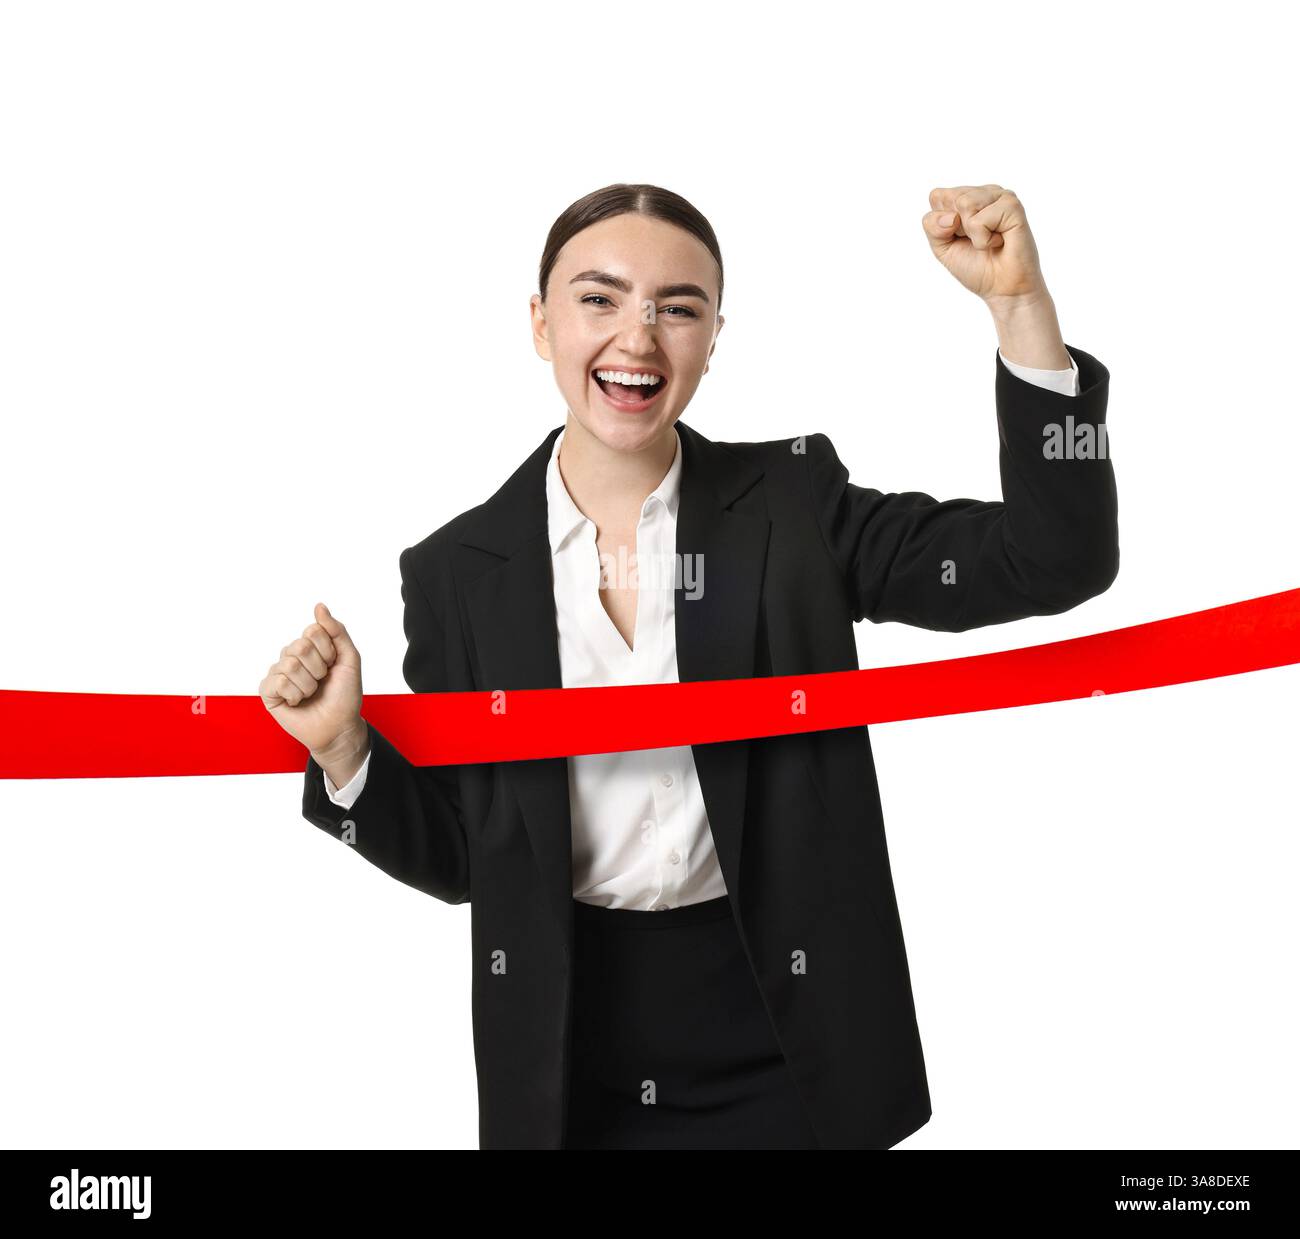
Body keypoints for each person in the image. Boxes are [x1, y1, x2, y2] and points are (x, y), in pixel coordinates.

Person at [258, 182, 1118, 1149]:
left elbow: (1055, 560)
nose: (638, 337)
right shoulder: (455, 574)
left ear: (713, 337)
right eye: (599, 298)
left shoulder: (794, 504)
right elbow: (472, 860)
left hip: (789, 1032)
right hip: (569, 1047)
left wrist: (1019, 308)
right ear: (540, 325)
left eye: (678, 307)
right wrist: (345, 752)